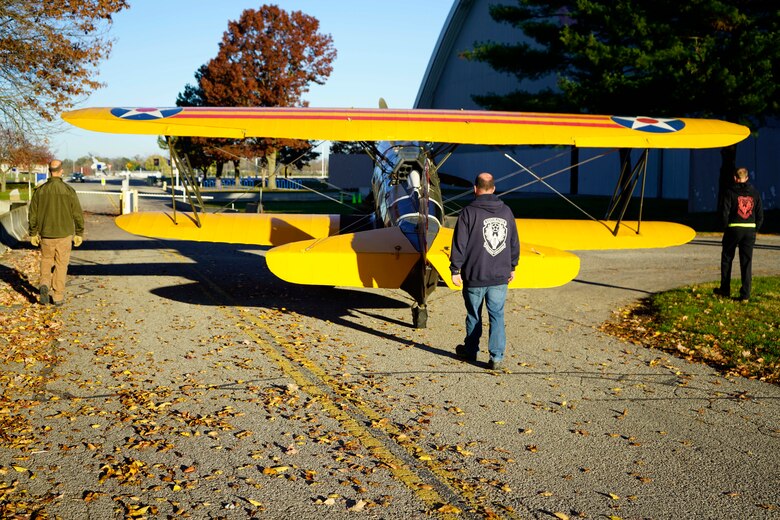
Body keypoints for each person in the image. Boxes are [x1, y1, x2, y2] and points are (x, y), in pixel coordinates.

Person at [450, 172, 519, 370]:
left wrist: (455, 269)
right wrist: (512, 266)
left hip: (474, 274)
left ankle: (471, 350)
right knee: (497, 314)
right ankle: (496, 357)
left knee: (474, 315)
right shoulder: (506, 211)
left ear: (475, 189)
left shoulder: (468, 213)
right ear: (494, 188)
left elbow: (459, 244)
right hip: (499, 275)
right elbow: (513, 242)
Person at [28, 159, 85, 306]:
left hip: (46, 234)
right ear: (61, 171)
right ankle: (58, 296)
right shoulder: (68, 191)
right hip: (64, 234)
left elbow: (32, 214)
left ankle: (44, 284)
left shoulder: (40, 191)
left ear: (49, 171)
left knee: (46, 260)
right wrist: (79, 232)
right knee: (61, 264)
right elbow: (77, 213)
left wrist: (33, 233)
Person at [715, 167, 763, 302]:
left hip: (733, 229)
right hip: (749, 231)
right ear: (747, 178)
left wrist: (726, 227)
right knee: (746, 262)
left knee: (727, 259)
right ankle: (745, 295)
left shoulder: (730, 192)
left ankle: (725, 290)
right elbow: (760, 215)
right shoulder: (755, 193)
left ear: (735, 178)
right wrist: (755, 229)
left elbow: (724, 213)